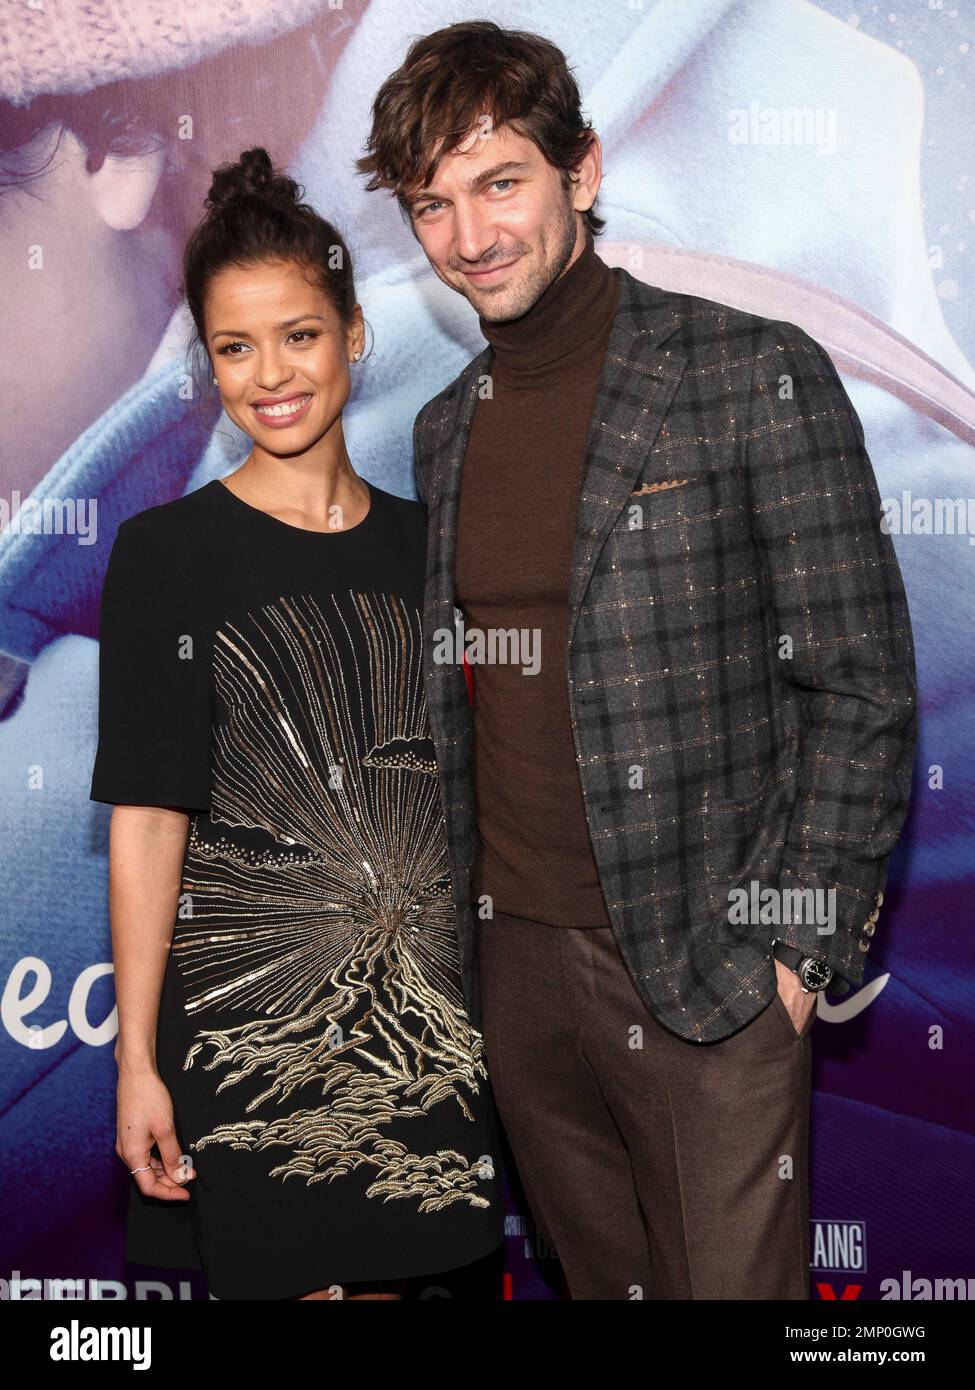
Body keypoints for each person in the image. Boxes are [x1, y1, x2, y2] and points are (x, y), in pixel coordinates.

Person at [357, 21, 919, 1299]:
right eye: (432, 205)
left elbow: (861, 683)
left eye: (500, 183)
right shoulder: (449, 430)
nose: (470, 236)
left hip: (707, 968)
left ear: (584, 172)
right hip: (521, 975)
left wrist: (793, 954)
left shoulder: (749, 370)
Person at [89, 147, 504, 1301]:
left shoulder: (432, 548)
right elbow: (149, 818)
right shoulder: (167, 556)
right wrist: (138, 1062)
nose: (270, 374)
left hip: (424, 1035)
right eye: (234, 346)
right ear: (207, 361)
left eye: (300, 334)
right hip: (247, 1038)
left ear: (355, 333)